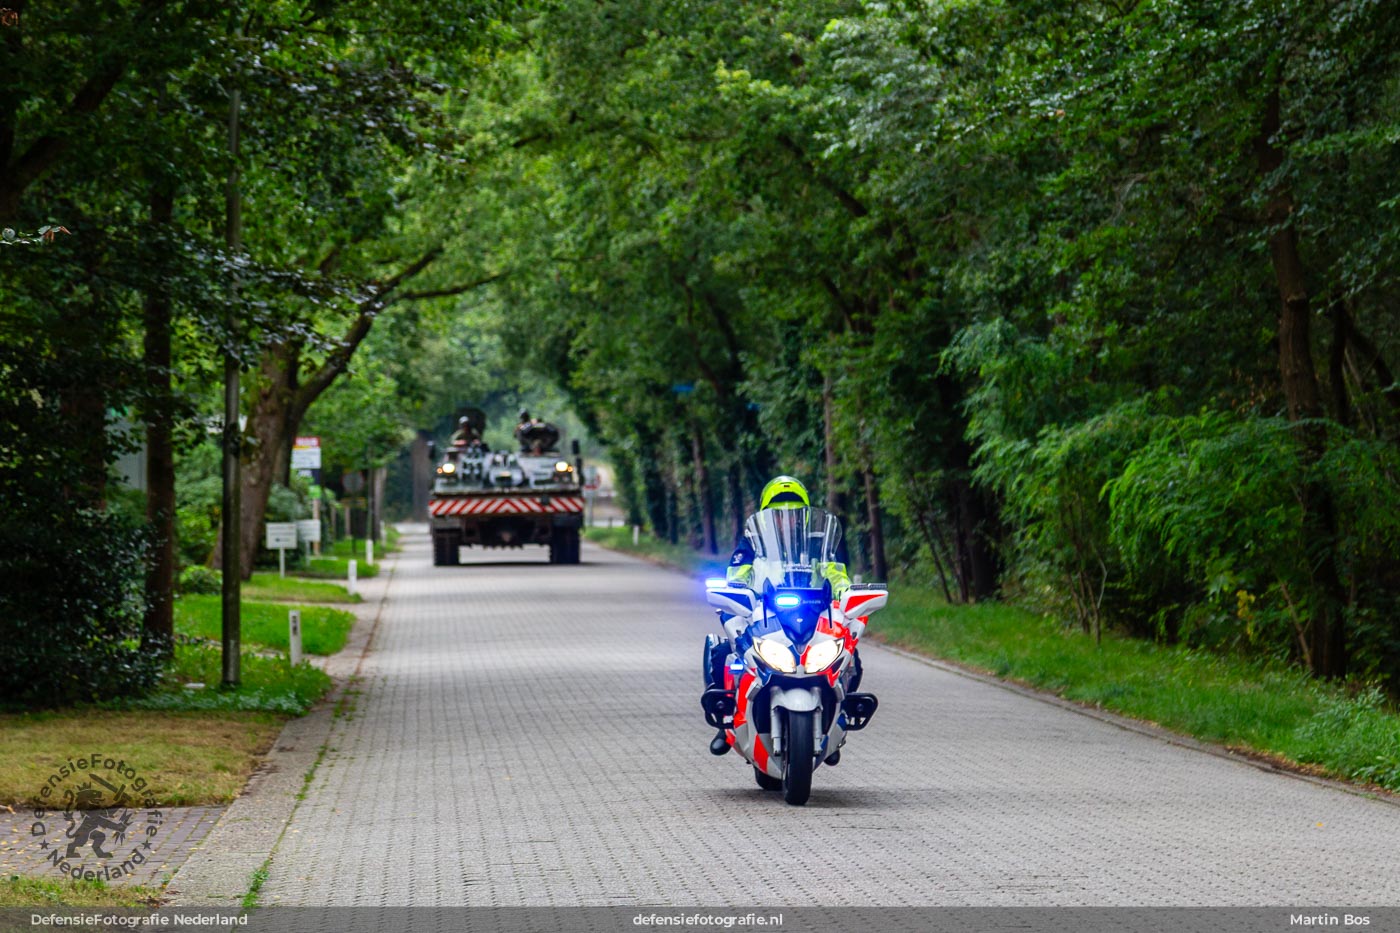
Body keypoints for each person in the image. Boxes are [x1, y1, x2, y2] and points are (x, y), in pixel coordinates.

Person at [706, 475, 853, 755]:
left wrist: (845, 593)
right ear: (766, 515)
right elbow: (736, 574)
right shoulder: (752, 542)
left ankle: (836, 723)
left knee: (849, 657)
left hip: (813, 613)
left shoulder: (817, 542)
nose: (787, 518)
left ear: (805, 515)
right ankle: (724, 727)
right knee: (722, 653)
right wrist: (733, 592)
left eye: (794, 512)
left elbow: (835, 572)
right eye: (779, 512)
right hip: (764, 614)